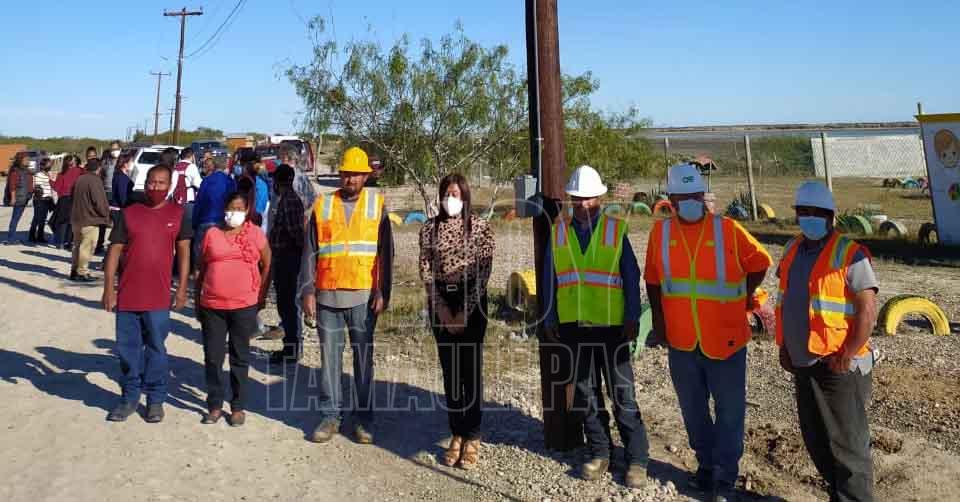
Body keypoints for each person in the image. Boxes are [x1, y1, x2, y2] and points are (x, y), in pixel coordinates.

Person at [644, 163, 772, 502]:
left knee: (729, 411)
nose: (690, 201)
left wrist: (744, 295)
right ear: (671, 199)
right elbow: (653, 279)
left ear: (703, 196)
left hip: (726, 338)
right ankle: (705, 464)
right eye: (682, 196)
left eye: (695, 195)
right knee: (693, 409)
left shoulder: (727, 229)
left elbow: (760, 262)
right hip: (682, 339)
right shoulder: (661, 234)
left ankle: (725, 476)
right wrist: (658, 321)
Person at [539, 165, 650, 488]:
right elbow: (549, 279)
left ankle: (637, 458)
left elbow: (631, 275)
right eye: (578, 199)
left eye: (589, 198)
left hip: (612, 327)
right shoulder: (559, 233)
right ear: (571, 200)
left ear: (599, 198)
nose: (583, 204)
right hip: (573, 327)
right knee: (585, 394)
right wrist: (550, 318)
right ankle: (601, 452)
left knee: (622, 393)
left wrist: (633, 317)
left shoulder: (615, 231)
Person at [776, 181, 878, 502]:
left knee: (849, 448)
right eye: (803, 212)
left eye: (817, 212)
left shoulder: (851, 254)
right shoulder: (792, 249)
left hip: (838, 366)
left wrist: (848, 353)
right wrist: (784, 345)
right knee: (816, 440)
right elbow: (785, 300)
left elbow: (867, 310)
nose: (810, 218)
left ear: (831, 217)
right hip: (804, 362)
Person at [300, 146, 393, 445]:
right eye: (346, 173)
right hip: (328, 295)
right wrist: (307, 290)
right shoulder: (323, 205)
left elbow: (385, 253)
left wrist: (383, 290)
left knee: (363, 360)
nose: (350, 179)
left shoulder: (377, 205)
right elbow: (309, 251)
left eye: (356, 174)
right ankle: (330, 416)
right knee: (329, 360)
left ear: (366, 176)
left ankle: (363, 419)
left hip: (364, 296)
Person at [101, 164, 192, 423]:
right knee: (128, 350)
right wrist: (109, 289)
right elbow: (114, 252)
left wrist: (182, 289)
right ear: (145, 182)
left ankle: (155, 400)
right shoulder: (129, 214)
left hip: (159, 297)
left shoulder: (179, 214)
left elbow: (184, 254)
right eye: (152, 182)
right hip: (128, 295)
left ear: (169, 186)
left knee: (156, 350)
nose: (155, 187)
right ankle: (129, 398)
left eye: (161, 183)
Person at [418, 173, 494, 469]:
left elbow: (484, 274)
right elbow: (426, 270)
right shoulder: (429, 228)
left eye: (456, 194)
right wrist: (442, 309)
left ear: (465, 197)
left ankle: (473, 435)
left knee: (470, 371)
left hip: (472, 303)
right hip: (440, 301)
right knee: (450, 371)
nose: (451, 199)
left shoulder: (481, 228)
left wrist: (464, 311)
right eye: (447, 194)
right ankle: (457, 433)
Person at [196, 192, 271, 426]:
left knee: (240, 356)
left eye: (239, 208)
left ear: (247, 210)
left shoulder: (255, 234)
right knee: (213, 357)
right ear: (223, 209)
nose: (234, 213)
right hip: (212, 306)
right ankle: (215, 405)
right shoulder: (212, 233)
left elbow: (268, 262)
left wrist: (261, 293)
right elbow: (201, 268)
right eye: (230, 208)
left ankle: (237, 407)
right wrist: (197, 299)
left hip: (244, 305)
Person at [267, 165, 306, 364]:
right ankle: (290, 346)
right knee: (286, 306)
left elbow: (297, 233)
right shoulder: (287, 199)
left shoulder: (289, 201)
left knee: (289, 306)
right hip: (284, 259)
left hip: (289, 260)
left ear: (278, 182)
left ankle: (292, 349)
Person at [193, 157, 237, 273]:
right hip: (222, 221)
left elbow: (199, 202)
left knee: (200, 254)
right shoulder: (230, 181)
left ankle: (199, 278)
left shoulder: (207, 180)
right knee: (219, 253)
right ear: (225, 166)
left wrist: (195, 221)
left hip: (205, 220)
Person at [69, 158, 110, 281]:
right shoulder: (95, 181)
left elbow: (71, 196)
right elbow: (99, 201)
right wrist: (106, 215)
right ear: (98, 169)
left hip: (76, 218)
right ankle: (82, 272)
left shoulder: (79, 179)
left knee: (77, 245)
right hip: (89, 219)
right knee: (87, 246)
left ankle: (74, 270)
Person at [52, 155, 84, 249]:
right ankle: (69, 242)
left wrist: (50, 181)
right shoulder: (80, 171)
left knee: (63, 222)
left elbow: (57, 188)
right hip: (76, 198)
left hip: (64, 199)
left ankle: (61, 242)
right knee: (72, 221)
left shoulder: (62, 173)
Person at [4, 152, 34, 244]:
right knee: (15, 218)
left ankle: (11, 238)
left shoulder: (26, 170)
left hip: (25, 197)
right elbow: (12, 186)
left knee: (17, 218)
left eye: (28, 159)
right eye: (26, 159)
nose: (28, 161)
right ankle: (10, 239)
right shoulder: (15, 171)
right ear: (20, 160)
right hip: (19, 198)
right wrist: (13, 198)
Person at [279, 144, 317, 210]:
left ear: (286, 158)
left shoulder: (290, 176)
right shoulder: (301, 174)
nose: (280, 160)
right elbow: (313, 197)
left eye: (281, 157)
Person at [29, 158, 54, 244]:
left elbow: (52, 185)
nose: (50, 166)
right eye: (48, 164)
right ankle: (31, 236)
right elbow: (36, 186)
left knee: (43, 219)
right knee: (36, 218)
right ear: (43, 165)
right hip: (39, 200)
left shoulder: (50, 174)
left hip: (47, 199)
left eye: (50, 164)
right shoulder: (38, 175)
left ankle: (40, 236)